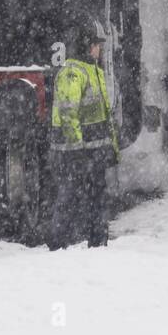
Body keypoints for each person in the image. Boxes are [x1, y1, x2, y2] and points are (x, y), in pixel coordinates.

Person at [48, 15, 119, 249]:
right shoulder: (73, 72)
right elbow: (69, 113)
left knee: (96, 196)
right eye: (98, 45)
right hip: (76, 152)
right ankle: (58, 244)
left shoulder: (92, 71)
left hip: (94, 151)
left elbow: (101, 115)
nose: (100, 50)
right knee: (69, 197)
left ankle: (98, 241)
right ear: (88, 46)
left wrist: (110, 149)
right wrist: (76, 149)